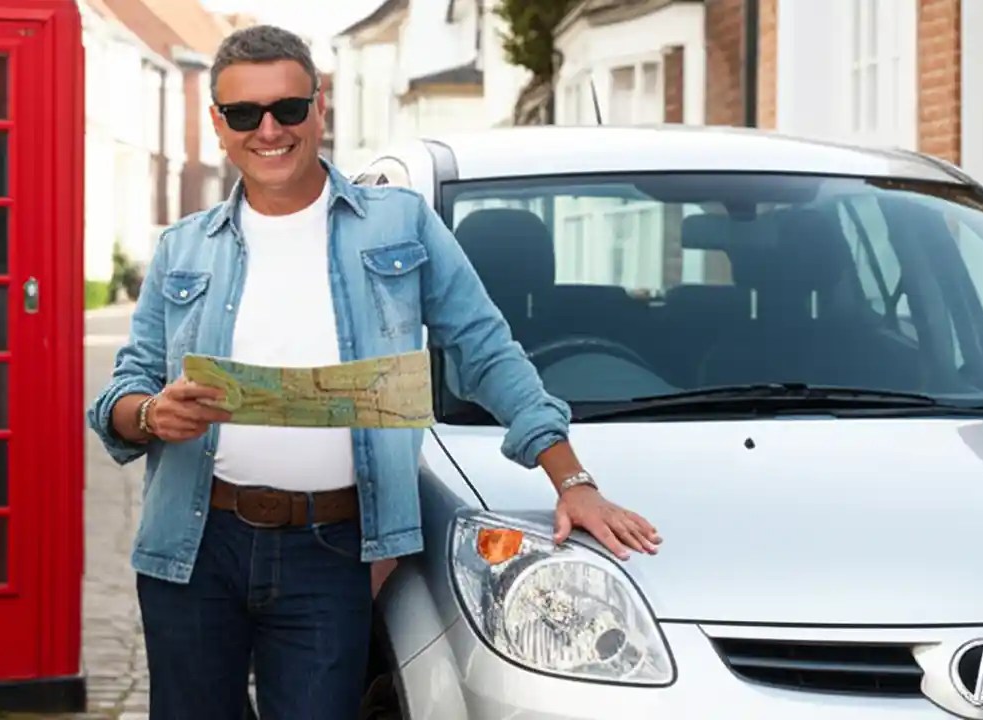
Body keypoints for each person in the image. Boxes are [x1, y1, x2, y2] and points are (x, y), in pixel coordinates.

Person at [86, 24, 661, 720]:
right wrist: (149, 414)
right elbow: (123, 389)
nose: (268, 130)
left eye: (288, 109)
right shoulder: (184, 248)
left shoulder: (399, 225)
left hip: (329, 549)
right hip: (196, 543)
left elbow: (484, 348)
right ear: (218, 124)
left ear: (319, 108)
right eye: (244, 114)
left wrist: (572, 479)